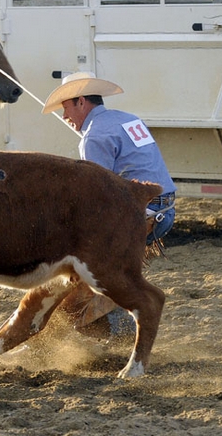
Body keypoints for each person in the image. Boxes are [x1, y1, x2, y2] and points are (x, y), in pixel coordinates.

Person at [42, 71, 177, 340]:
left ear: (81, 102)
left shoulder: (94, 138)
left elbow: (97, 199)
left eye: (66, 108)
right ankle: (118, 327)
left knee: (88, 269)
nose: (65, 117)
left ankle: (113, 329)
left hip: (142, 214)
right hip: (164, 208)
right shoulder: (127, 119)